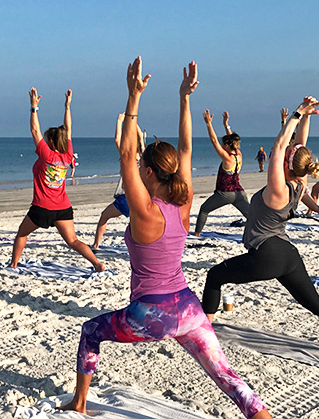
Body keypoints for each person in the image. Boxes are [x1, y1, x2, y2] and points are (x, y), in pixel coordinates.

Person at [61, 58, 272, 419]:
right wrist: (184, 99)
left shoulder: (144, 210)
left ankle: (79, 403)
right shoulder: (184, 202)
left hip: (151, 314)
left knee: (90, 331)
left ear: (147, 171)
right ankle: (260, 414)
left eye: (140, 168)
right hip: (187, 308)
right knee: (225, 375)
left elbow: (127, 152)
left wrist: (133, 99)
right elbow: (186, 149)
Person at [201, 97, 319, 358]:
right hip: (287, 254)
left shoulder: (277, 189)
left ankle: (204, 332)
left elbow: (281, 145)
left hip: (266, 254)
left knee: (214, 276)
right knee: (316, 304)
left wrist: (296, 114)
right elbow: (296, 147)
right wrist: (305, 118)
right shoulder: (300, 183)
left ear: (285, 164)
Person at [10, 88, 105, 271]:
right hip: (62, 208)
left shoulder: (46, 155)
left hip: (42, 208)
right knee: (73, 241)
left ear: (51, 142)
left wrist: (33, 107)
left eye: (47, 139)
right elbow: (68, 130)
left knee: (21, 235)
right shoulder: (68, 155)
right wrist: (67, 106)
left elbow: (34, 129)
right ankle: (96, 263)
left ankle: (13, 265)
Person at [193, 110, 251, 236]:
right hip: (239, 193)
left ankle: (196, 234)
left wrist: (209, 124)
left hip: (226, 193)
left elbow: (214, 141)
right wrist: (226, 125)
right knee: (251, 217)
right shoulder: (239, 155)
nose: (222, 145)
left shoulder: (227, 158)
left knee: (204, 210)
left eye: (223, 144)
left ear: (225, 145)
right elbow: (233, 141)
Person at [92, 113, 145, 249]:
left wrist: (120, 121)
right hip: (141, 197)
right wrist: (134, 122)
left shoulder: (127, 156)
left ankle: (96, 245)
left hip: (127, 197)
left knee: (104, 216)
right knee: (135, 224)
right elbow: (141, 138)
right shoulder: (144, 156)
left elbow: (117, 139)